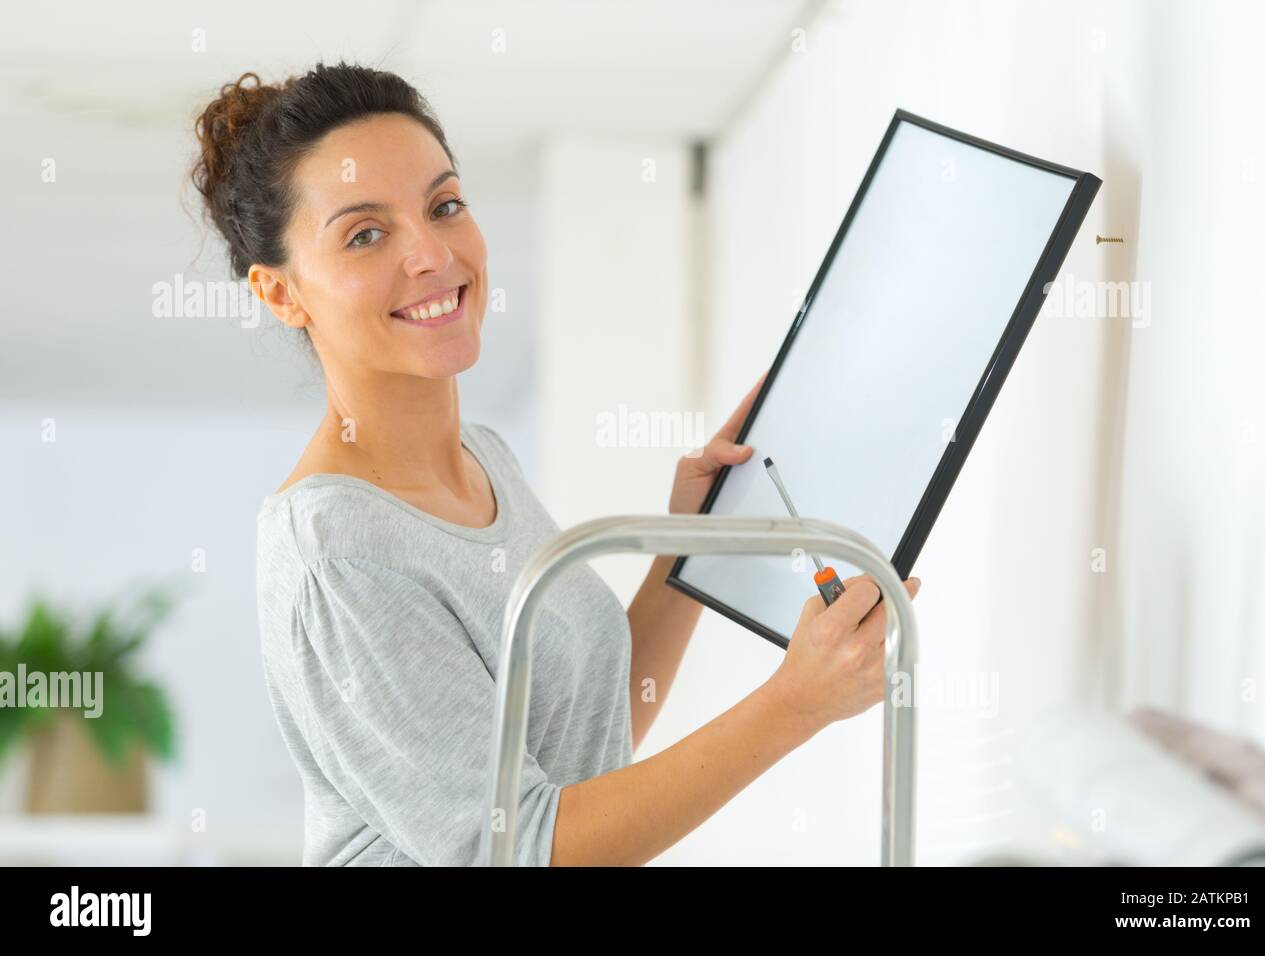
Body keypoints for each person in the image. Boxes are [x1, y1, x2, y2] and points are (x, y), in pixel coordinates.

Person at [190, 60, 921, 867]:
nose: (432, 254)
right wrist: (796, 704)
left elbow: (585, 741)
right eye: (367, 233)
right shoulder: (339, 555)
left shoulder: (484, 461)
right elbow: (521, 847)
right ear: (280, 294)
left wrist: (688, 536)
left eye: (445, 206)